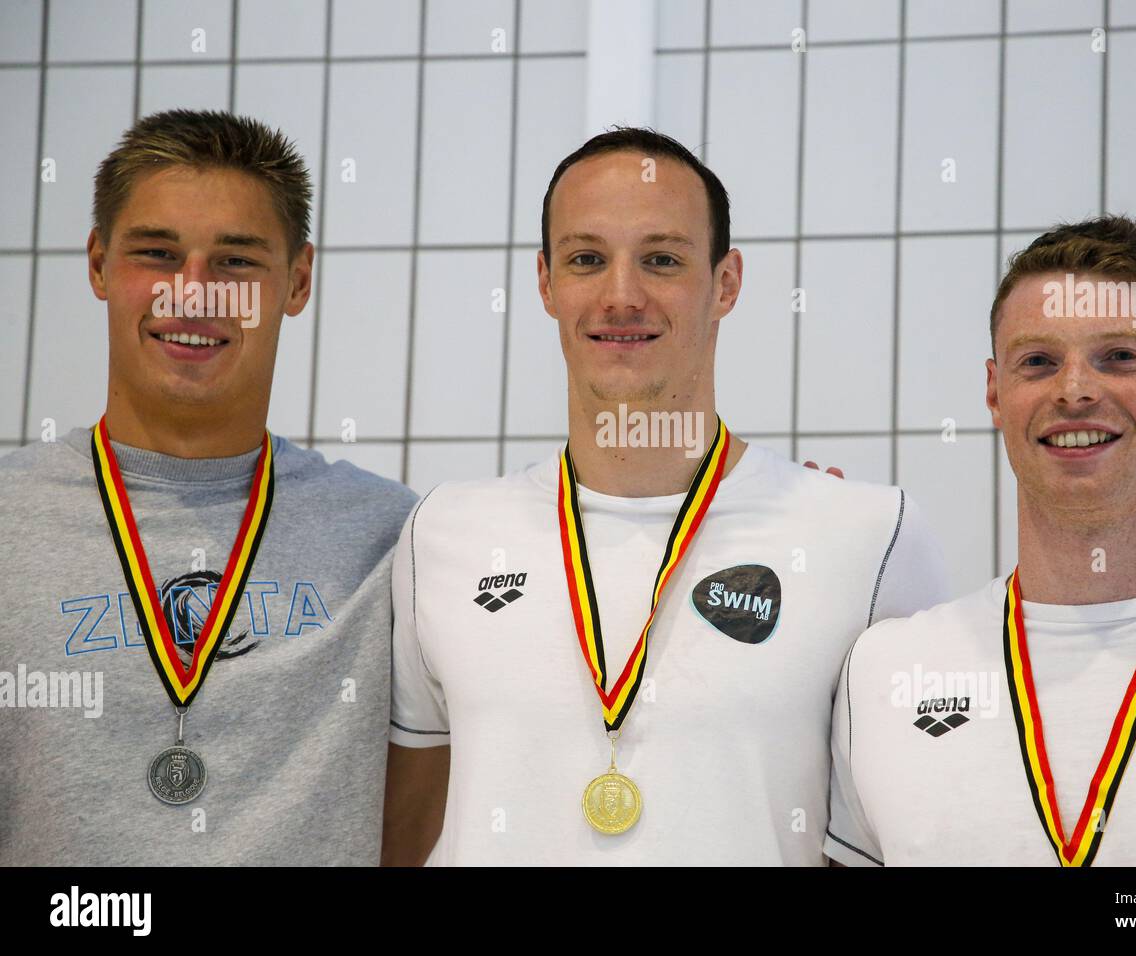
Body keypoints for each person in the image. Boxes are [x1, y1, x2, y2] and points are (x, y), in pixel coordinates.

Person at [383, 127, 949, 866]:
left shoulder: (866, 536)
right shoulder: (444, 534)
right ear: (546, 283)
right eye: (588, 259)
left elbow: (908, 832)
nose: (622, 295)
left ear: (727, 283)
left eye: (661, 259)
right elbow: (406, 832)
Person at [0, 109, 417, 865]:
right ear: (98, 265)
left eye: (236, 262)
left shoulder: (393, 540)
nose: (194, 295)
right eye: (157, 253)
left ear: (297, 280)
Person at [824, 216, 1136, 866]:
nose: (1074, 390)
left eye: (1120, 357)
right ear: (996, 392)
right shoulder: (885, 673)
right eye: (1039, 362)